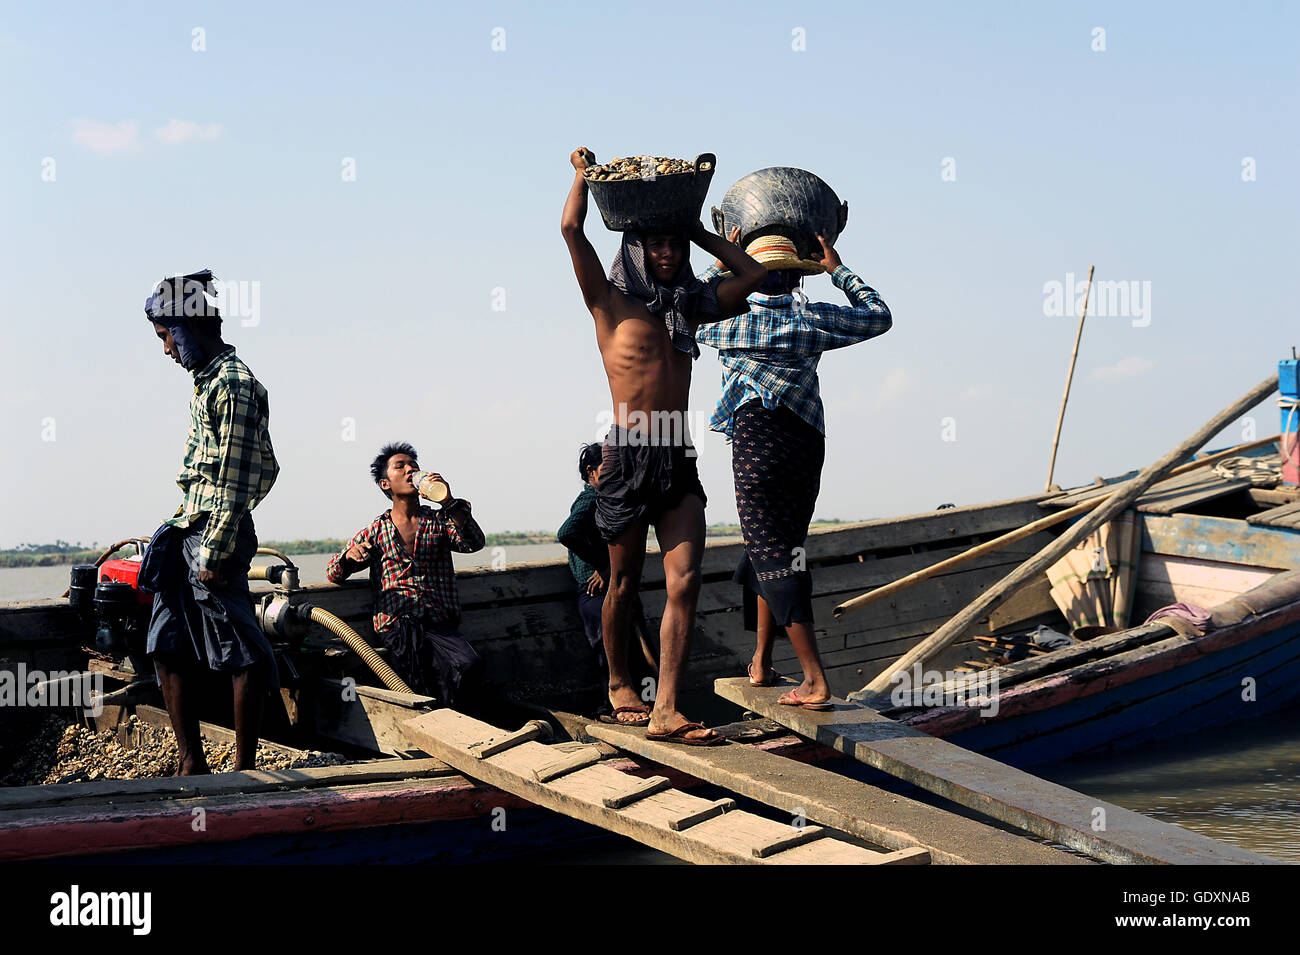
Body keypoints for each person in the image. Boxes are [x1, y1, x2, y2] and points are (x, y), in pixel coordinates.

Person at [562, 146, 767, 744]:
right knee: (623, 581)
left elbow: (752, 275)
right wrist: (580, 176)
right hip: (626, 453)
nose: (670, 255)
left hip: (677, 452)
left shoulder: (690, 309)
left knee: (686, 578)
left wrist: (696, 229)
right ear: (637, 250)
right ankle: (620, 680)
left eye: (674, 247)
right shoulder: (608, 303)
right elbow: (572, 229)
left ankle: (668, 707)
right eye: (659, 246)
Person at [696, 231, 893, 708]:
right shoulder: (813, 317)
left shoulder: (728, 318)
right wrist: (838, 270)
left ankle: (816, 680)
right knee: (777, 547)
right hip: (805, 441)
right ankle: (761, 663)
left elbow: (685, 307)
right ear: (794, 276)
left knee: (772, 551)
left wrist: (726, 261)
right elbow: (878, 317)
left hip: (757, 442)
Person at [138, 269, 280, 774]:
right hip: (187, 529)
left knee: (242, 650)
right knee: (166, 642)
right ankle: (190, 762)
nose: (166, 351)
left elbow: (239, 479)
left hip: (214, 535)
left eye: (165, 337)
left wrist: (216, 550)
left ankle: (244, 768)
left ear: (186, 327)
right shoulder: (207, 384)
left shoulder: (235, 385)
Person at [325, 443, 486, 708]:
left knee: (469, 664)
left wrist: (448, 501)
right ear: (385, 484)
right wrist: (349, 557)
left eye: (414, 465)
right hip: (397, 625)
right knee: (419, 681)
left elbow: (474, 543)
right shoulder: (376, 530)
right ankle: (437, 727)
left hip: (438, 621)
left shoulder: (440, 520)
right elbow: (333, 573)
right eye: (400, 466)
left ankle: (456, 723)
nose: (411, 469)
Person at [556, 443, 656, 717]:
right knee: (609, 653)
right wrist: (602, 566)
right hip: (597, 594)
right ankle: (611, 706)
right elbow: (567, 532)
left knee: (636, 652)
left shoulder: (608, 499)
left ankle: (647, 704)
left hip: (618, 590)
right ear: (592, 472)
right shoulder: (591, 499)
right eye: (611, 469)